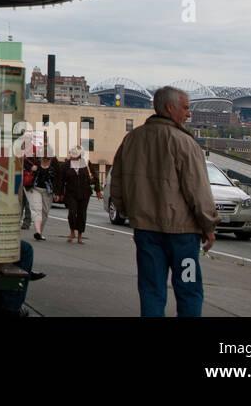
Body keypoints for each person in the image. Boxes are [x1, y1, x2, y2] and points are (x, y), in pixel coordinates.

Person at [109, 85, 219, 317]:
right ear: (170, 108)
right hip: (183, 235)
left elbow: (116, 182)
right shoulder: (185, 143)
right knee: (188, 289)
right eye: (186, 108)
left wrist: (128, 211)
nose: (188, 114)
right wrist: (208, 225)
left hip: (146, 231)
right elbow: (197, 190)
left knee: (151, 290)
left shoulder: (132, 139)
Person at [59, 145, 101, 244]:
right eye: (72, 155)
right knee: (72, 212)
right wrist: (60, 193)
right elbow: (61, 180)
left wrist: (98, 190)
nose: (73, 157)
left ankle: (80, 236)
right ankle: (72, 231)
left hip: (85, 193)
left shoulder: (86, 163)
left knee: (82, 214)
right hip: (71, 193)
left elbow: (95, 177)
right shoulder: (66, 165)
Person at [24, 154, 55, 241]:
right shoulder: (36, 162)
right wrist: (31, 167)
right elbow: (24, 162)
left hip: (48, 191)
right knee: (36, 209)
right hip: (35, 188)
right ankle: (37, 232)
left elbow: (58, 178)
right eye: (44, 157)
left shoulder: (54, 164)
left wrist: (57, 193)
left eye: (48, 158)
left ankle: (40, 232)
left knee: (44, 212)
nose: (46, 159)